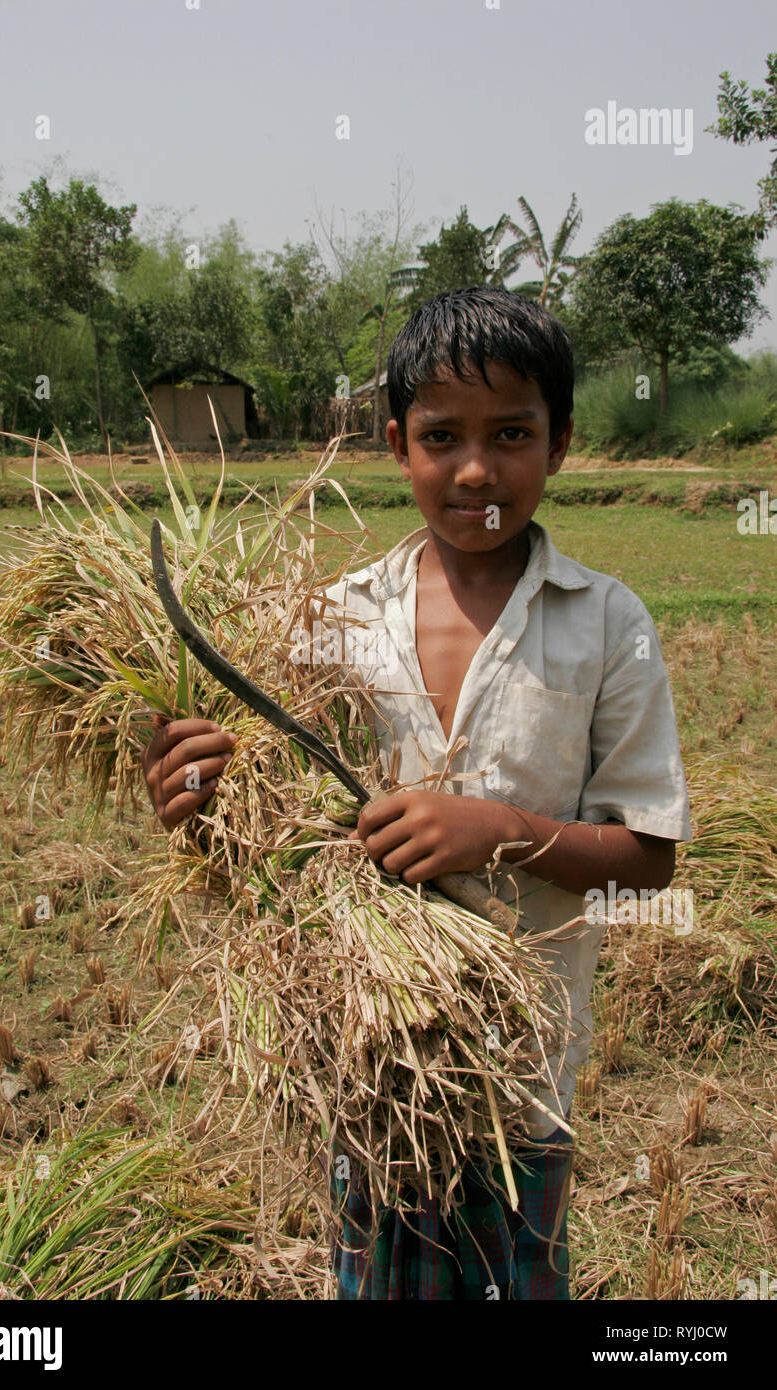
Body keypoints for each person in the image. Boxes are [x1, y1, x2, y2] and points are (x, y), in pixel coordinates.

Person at [140, 286, 692, 1299]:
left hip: (519, 1083)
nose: (475, 469)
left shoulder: (608, 623)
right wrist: (200, 790)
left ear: (560, 443)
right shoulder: (327, 620)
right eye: (442, 436)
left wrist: (501, 832)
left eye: (511, 434)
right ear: (396, 444)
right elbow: (280, 844)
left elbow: (648, 858)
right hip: (364, 1072)